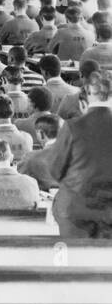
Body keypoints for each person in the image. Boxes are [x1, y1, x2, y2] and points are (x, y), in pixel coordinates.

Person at [49, 69, 112, 237]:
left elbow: (55, 170)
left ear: (89, 93)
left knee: (74, 257)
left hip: (76, 210)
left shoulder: (72, 126)